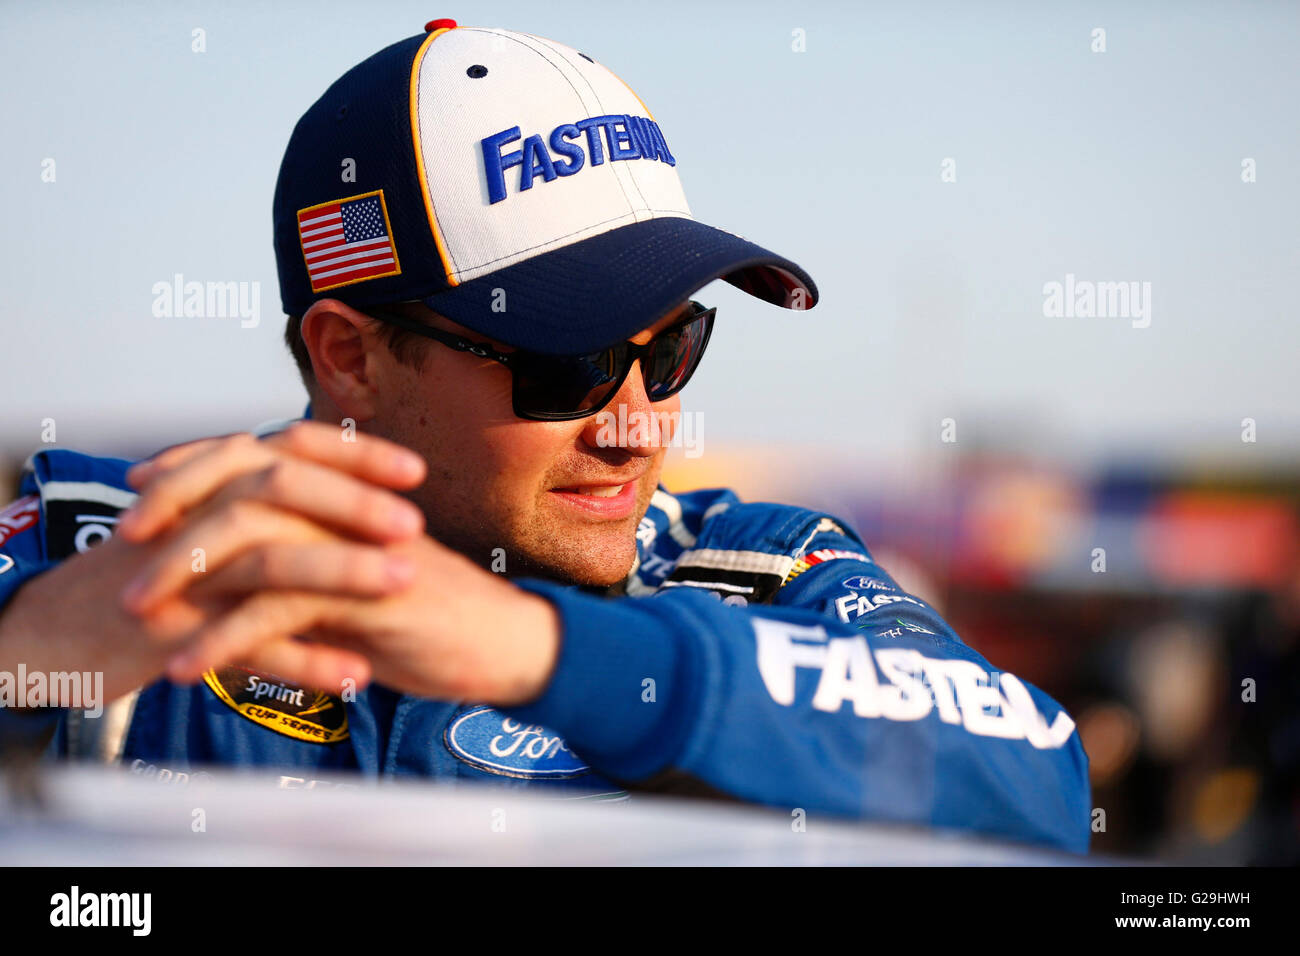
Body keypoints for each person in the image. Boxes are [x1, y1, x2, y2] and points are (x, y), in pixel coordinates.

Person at [0, 20, 1089, 852]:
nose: (636, 424)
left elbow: (1041, 781)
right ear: (350, 357)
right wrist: (29, 652)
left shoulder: (765, 569)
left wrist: (536, 649)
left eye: (671, 350)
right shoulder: (113, 539)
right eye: (567, 361)